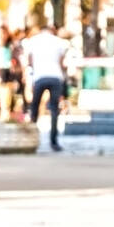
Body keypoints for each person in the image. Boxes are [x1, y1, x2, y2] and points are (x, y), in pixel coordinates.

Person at [23, 23, 72, 151]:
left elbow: (30, 62)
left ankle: (31, 139)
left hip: (39, 77)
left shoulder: (33, 41)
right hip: (55, 77)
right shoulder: (59, 42)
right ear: (52, 31)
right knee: (54, 110)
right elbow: (62, 62)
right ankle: (53, 141)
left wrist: (31, 78)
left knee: (35, 108)